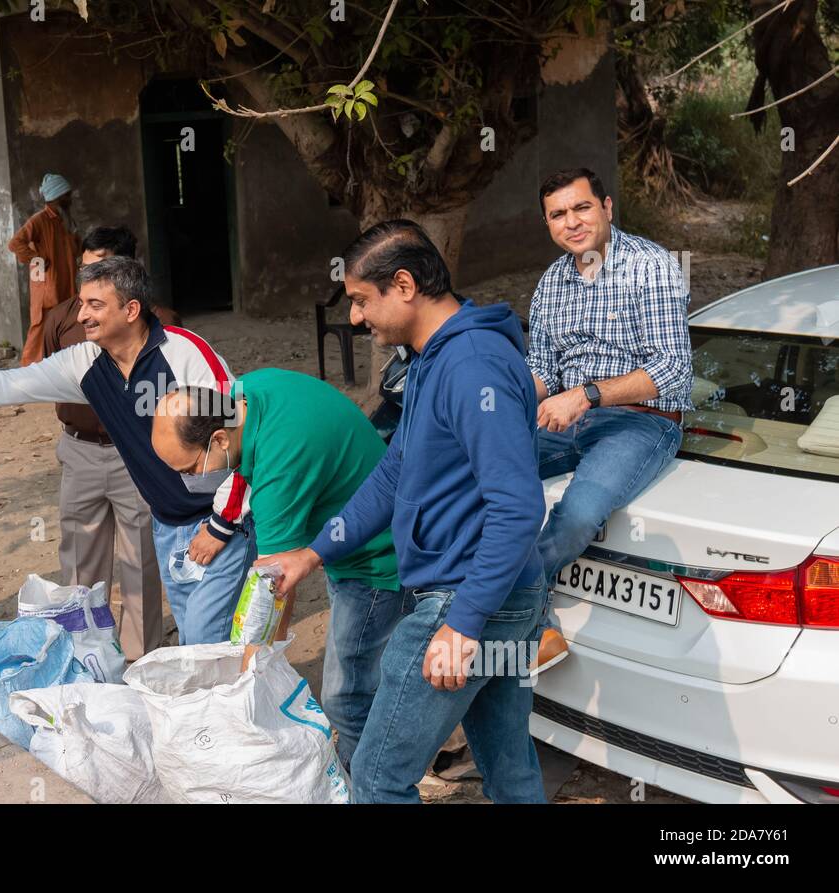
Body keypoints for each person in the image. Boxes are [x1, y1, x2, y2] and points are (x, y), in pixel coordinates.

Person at [267, 220, 547, 803]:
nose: (354, 317)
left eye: (362, 300)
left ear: (403, 285)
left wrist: (464, 622)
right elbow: (395, 474)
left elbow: (518, 508)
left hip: (468, 598)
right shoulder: (431, 359)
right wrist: (314, 554)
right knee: (508, 768)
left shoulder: (472, 368)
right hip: (494, 596)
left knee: (377, 777)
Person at [0, 255, 255, 645]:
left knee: (208, 641)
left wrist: (222, 525)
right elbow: (12, 385)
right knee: (199, 641)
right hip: (168, 525)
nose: (81, 317)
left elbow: (243, 437)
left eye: (95, 305)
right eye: (80, 304)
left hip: (220, 521)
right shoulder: (86, 363)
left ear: (131, 310)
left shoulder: (186, 353)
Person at [150, 369, 400, 770]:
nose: (188, 481)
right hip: (350, 532)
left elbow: (276, 586)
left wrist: (253, 673)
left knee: (345, 696)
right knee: (371, 673)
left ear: (217, 440)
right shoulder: (246, 395)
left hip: (374, 561)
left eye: (190, 469)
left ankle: (367, 782)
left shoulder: (278, 468)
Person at [526, 168, 693, 674]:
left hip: (641, 421)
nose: (572, 222)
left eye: (581, 208)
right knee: (474, 468)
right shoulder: (552, 282)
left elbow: (673, 367)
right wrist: (500, 403)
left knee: (578, 516)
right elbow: (540, 369)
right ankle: (534, 626)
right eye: (558, 214)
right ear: (548, 224)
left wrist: (587, 395)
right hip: (567, 415)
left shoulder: (652, 267)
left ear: (607, 207)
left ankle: (511, 610)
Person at [42, 226, 178, 659]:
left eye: (100, 274)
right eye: (84, 272)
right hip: (79, 450)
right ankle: (86, 657)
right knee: (79, 562)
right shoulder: (62, 318)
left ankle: (141, 660)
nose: (87, 294)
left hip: (137, 454)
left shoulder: (163, 324)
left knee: (140, 559)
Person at [8, 172, 80, 366]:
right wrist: (37, 259)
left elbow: (75, 248)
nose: (70, 198)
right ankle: (28, 369)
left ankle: (57, 365)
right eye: (66, 194)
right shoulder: (39, 220)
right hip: (47, 283)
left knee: (65, 322)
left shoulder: (65, 220)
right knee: (41, 325)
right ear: (57, 196)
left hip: (66, 281)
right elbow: (15, 243)